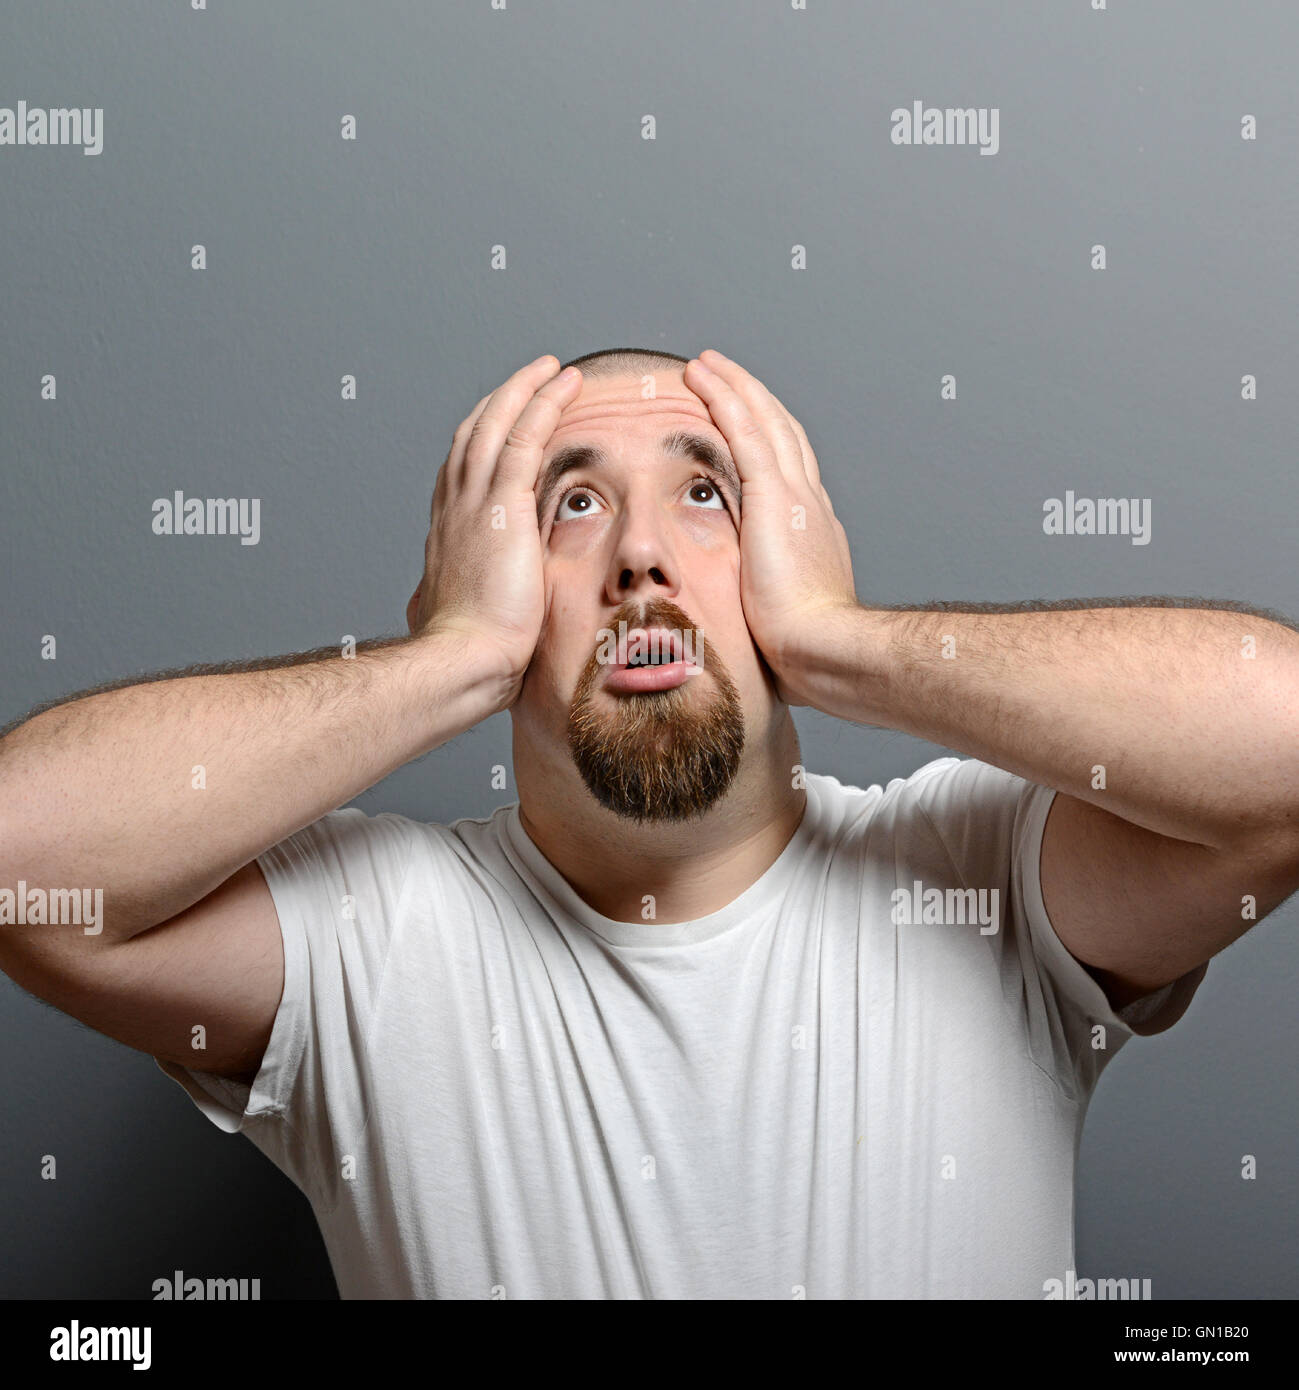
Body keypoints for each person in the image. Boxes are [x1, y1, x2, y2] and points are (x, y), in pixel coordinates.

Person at [2, 347, 1297, 1299]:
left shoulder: (979, 877)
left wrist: (848, 644)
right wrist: (448, 659)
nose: (640, 557)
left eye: (706, 497)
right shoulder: (373, 937)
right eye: (571, 502)